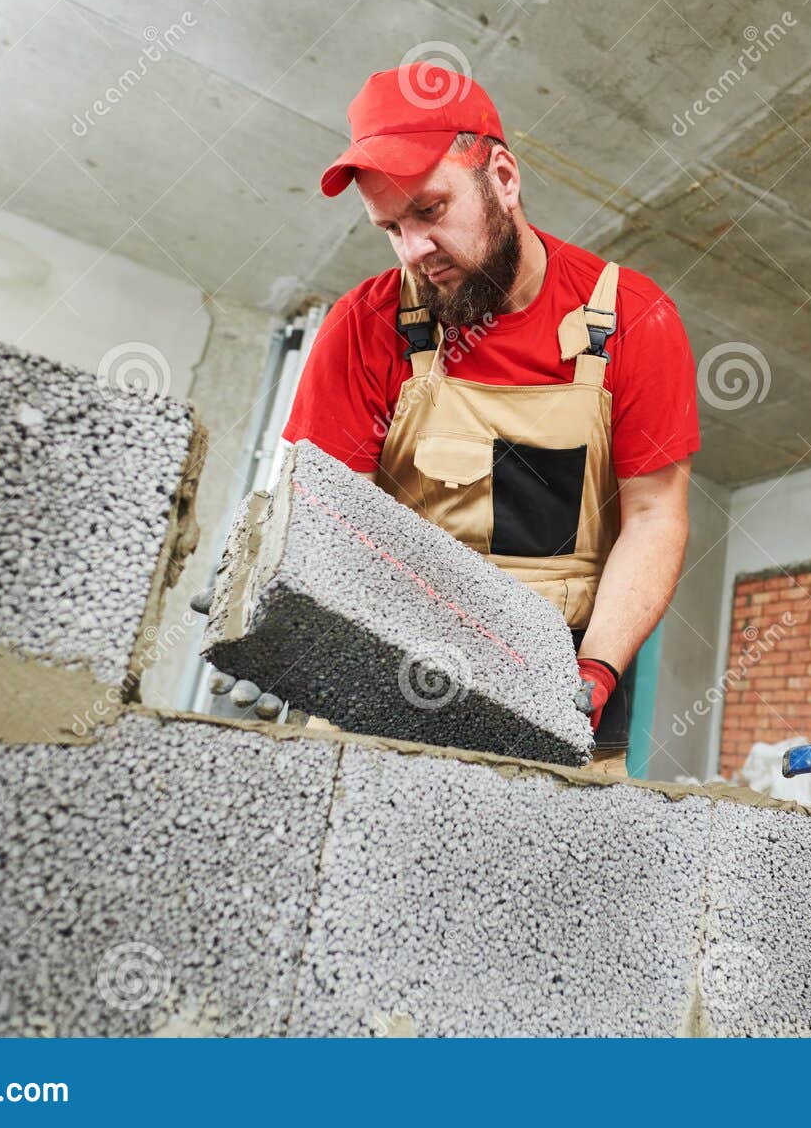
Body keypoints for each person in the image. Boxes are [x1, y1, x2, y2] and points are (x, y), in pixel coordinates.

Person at [283, 63, 700, 771]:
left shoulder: (632, 317)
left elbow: (656, 515)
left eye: (430, 210)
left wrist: (594, 674)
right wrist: (282, 617)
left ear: (503, 178)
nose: (414, 249)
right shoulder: (364, 326)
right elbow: (325, 520)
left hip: (565, 677)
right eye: (390, 227)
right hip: (393, 670)